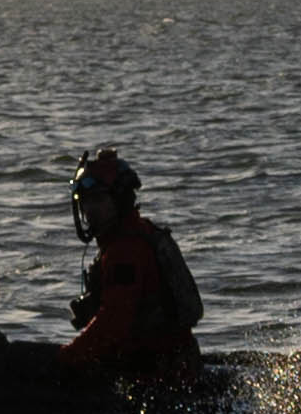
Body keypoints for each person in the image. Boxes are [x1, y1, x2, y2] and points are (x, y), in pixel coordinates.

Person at [59, 147, 204, 383]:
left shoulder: (126, 250)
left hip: (155, 372)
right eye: (85, 202)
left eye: (98, 200)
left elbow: (114, 321)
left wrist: (68, 356)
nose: (89, 210)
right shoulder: (136, 235)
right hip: (165, 360)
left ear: (119, 199)